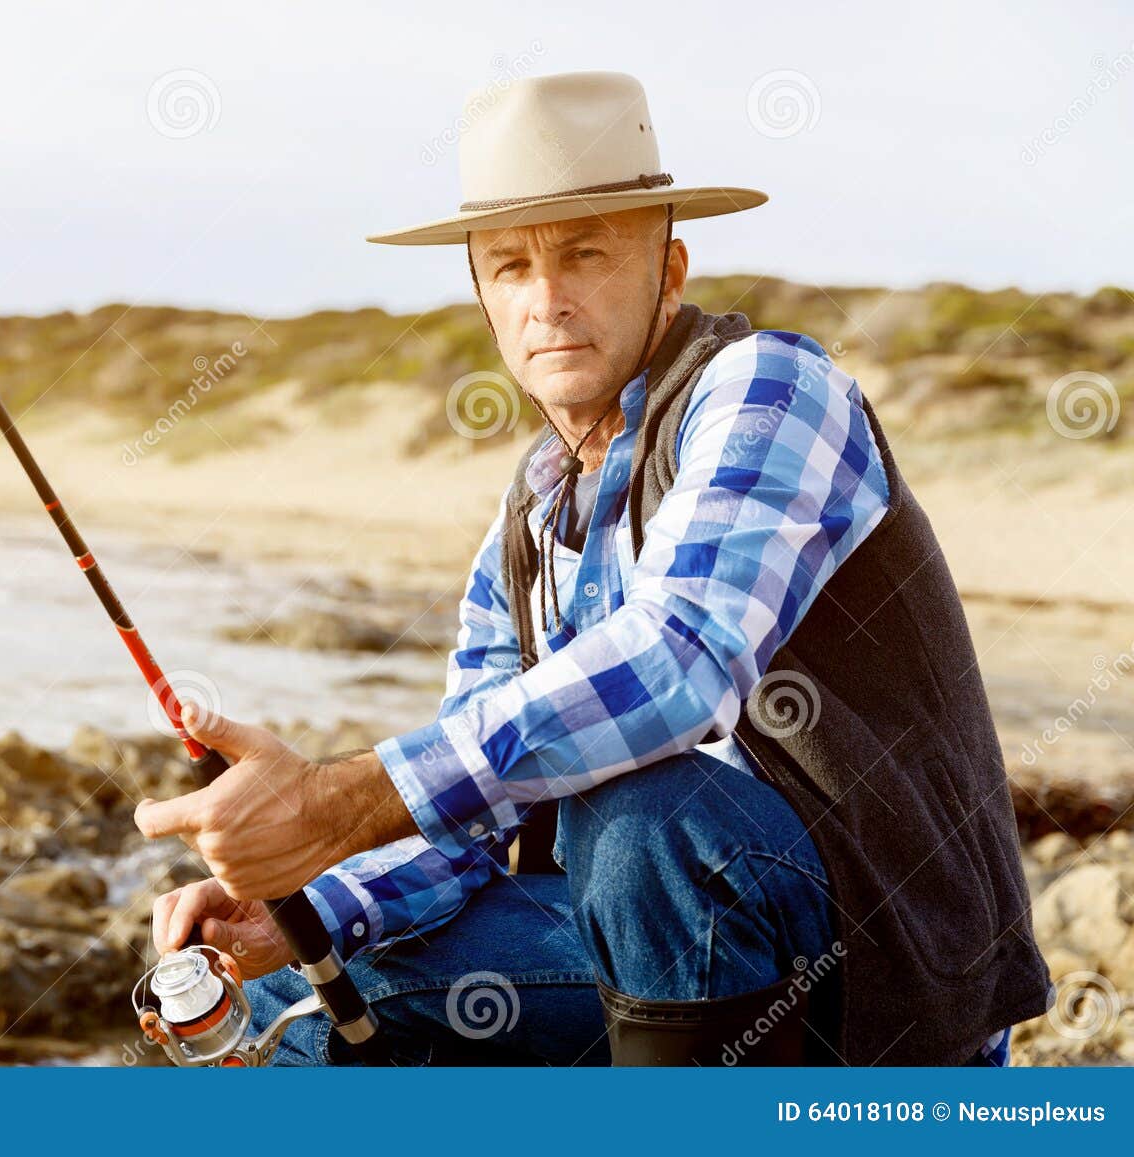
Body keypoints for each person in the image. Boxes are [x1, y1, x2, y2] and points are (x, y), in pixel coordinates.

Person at [137, 71, 1049, 1066]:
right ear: (482, 297)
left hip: (890, 972)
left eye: (584, 254)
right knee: (297, 987)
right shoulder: (531, 510)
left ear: (668, 266)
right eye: (510, 266)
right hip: (663, 944)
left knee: (646, 809)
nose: (548, 299)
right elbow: (474, 807)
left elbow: (678, 659)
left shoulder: (770, 387)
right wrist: (311, 904)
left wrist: (340, 799)